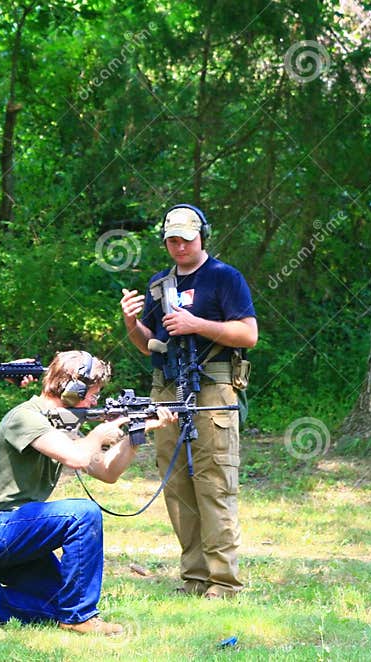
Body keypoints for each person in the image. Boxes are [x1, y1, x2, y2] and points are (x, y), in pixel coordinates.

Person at [0, 350, 177, 636]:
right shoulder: (26, 417)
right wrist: (99, 434)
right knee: (83, 514)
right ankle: (82, 617)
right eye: (92, 393)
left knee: (59, 605)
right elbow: (77, 458)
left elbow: (107, 472)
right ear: (71, 388)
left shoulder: (58, 425)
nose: (95, 401)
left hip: (16, 536)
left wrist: (136, 434)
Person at [119, 203, 257, 599]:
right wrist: (132, 322)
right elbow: (148, 346)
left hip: (212, 392)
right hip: (166, 391)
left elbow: (249, 335)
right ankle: (195, 577)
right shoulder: (159, 283)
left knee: (214, 484)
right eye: (171, 240)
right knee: (177, 486)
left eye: (186, 238)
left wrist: (198, 325)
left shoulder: (224, 278)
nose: (178, 246)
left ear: (202, 236)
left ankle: (224, 582)